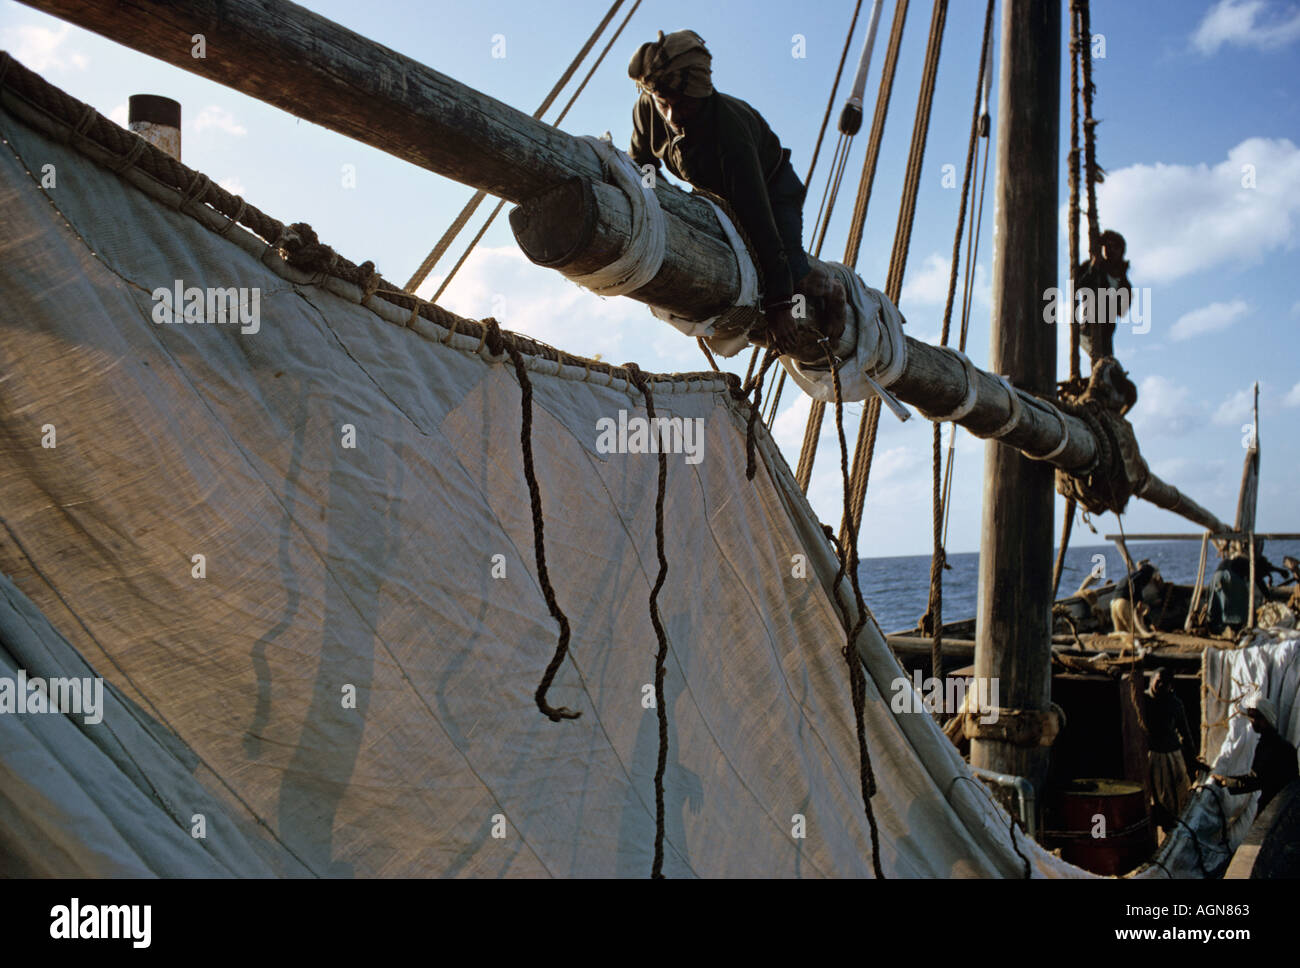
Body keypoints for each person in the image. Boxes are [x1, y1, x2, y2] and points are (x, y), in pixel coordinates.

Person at [626, 30, 841, 359]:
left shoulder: (730, 133)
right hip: (715, 195)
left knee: (792, 273)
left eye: (682, 104)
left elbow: (759, 221)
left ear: (701, 94)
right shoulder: (647, 108)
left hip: (772, 189)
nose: (672, 115)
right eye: (664, 103)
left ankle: (829, 288)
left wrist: (780, 305)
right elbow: (642, 164)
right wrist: (658, 204)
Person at [1212, 698, 1298, 814]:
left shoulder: (1276, 748)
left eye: (1258, 717)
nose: (1253, 721)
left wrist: (1226, 781)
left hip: (1276, 811)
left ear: (1267, 718)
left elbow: (1256, 780)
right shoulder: (1270, 744)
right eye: (1251, 717)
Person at [1143, 667, 1198, 838]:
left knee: (1175, 798)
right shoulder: (1143, 700)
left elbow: (1185, 733)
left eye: (1164, 683)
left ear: (1170, 686)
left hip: (1171, 756)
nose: (1160, 685)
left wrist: (1193, 759)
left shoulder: (1175, 704)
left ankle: (1173, 833)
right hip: (1152, 756)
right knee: (1156, 798)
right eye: (1157, 680)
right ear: (1152, 680)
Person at [1076, 229, 1133, 364]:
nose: (1111, 250)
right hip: (1088, 330)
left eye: (1115, 247)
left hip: (1106, 333)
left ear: (1121, 251)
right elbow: (1078, 285)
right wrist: (1093, 268)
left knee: (1107, 366)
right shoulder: (1092, 266)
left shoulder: (1123, 281)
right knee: (1101, 364)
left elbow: (1122, 310)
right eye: (1107, 246)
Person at [1110, 560, 1159, 638]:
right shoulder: (1144, 575)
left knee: (1120, 631)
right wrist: (1139, 600)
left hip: (1113, 603)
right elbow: (1134, 582)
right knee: (1135, 632)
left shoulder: (1132, 574)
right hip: (1123, 603)